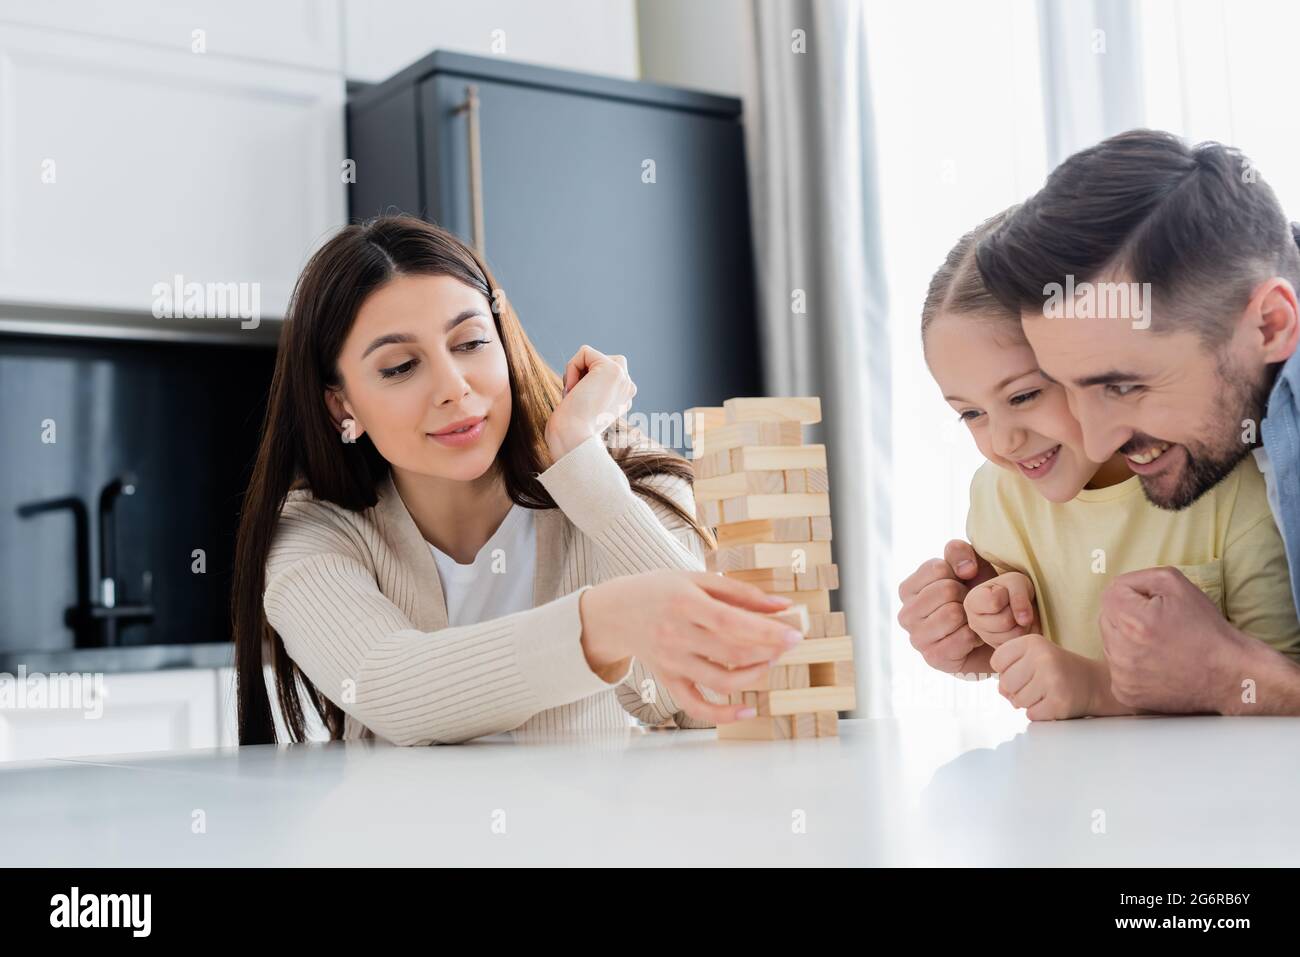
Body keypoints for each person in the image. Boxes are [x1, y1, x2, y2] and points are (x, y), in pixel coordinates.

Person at [231, 215, 804, 745]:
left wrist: (584, 468)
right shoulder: (314, 531)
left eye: (471, 342)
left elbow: (720, 689)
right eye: (401, 366)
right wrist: (607, 621)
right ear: (340, 406)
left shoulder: (615, 473)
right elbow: (388, 687)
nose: (454, 386)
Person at [905, 208, 1300, 720]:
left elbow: (1275, 702)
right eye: (971, 413)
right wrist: (979, 633)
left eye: (1024, 396)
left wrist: (1099, 690)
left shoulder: (1226, 484)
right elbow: (1031, 676)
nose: (1003, 440)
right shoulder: (999, 494)